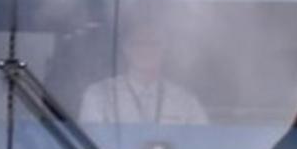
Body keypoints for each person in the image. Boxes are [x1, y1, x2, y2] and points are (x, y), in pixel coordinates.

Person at [77, 21, 208, 125]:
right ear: (125, 48)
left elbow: (201, 144)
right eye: (138, 43)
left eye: (154, 43)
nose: (146, 49)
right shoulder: (99, 95)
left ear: (165, 49)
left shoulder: (185, 100)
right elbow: (91, 143)